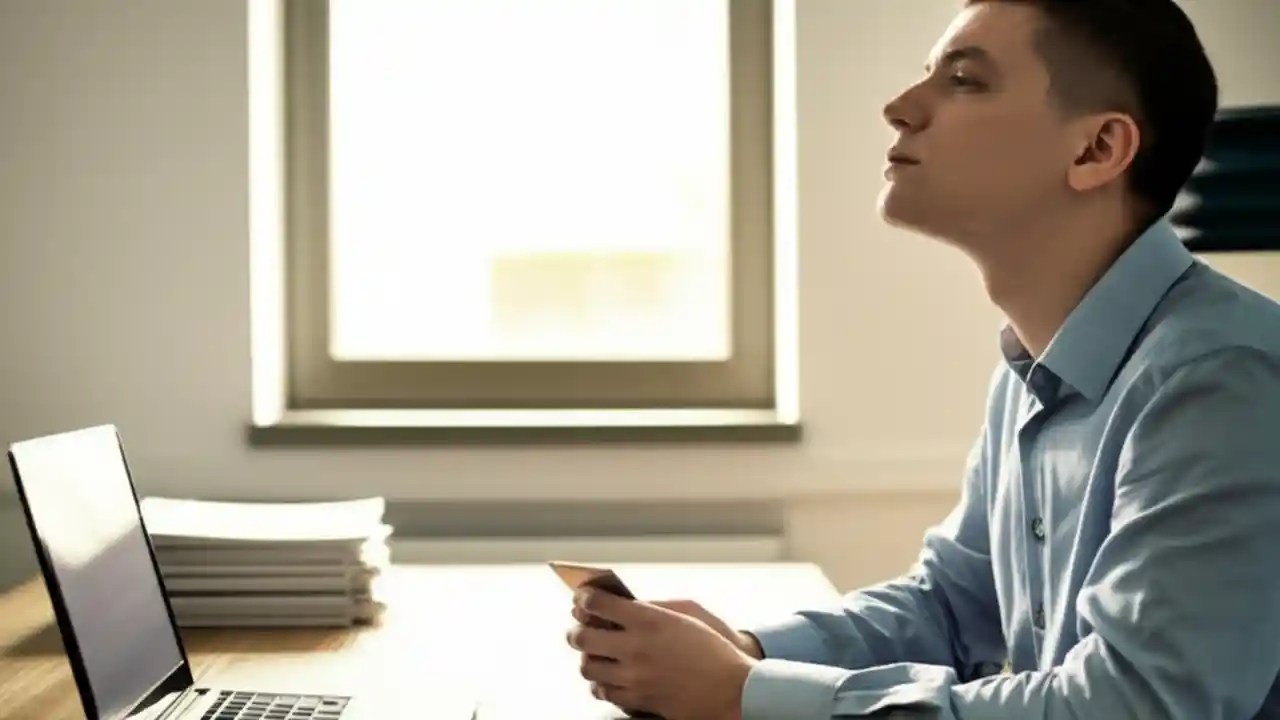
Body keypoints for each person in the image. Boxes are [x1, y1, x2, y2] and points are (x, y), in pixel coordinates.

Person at [565, 0, 1280, 718]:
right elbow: (949, 607)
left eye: (964, 80)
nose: (901, 107)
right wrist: (748, 654)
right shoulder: (1034, 370)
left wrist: (743, 695)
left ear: (1095, 150)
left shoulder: (1220, 379)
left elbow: (1132, 707)